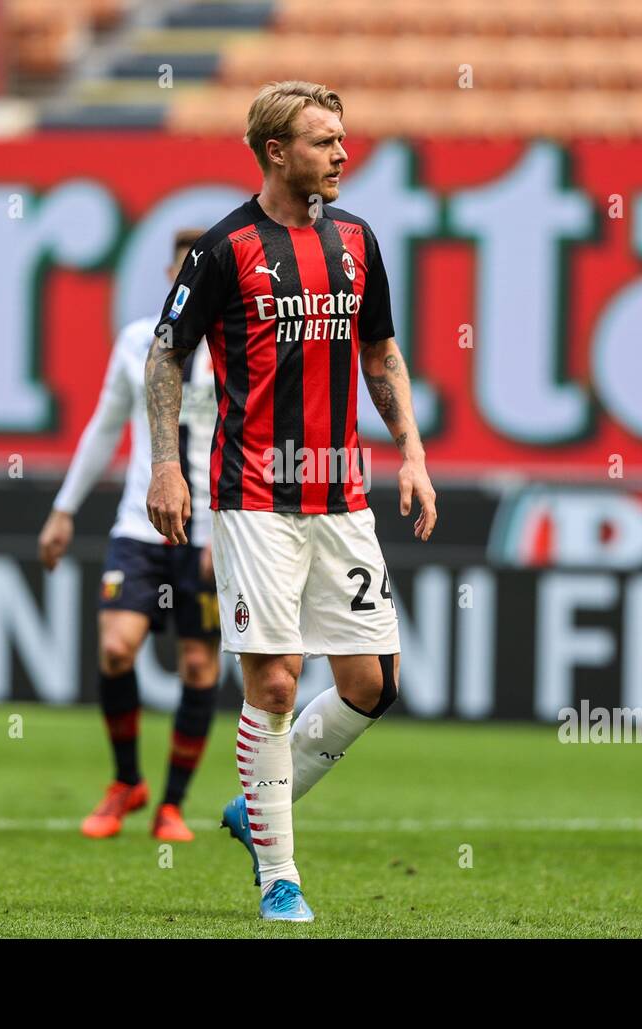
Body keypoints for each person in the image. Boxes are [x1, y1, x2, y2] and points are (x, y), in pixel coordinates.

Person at [143, 81, 437, 920]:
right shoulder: (223, 248)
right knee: (275, 682)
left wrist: (411, 453)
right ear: (276, 153)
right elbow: (168, 356)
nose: (343, 154)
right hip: (254, 495)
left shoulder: (357, 239)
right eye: (323, 142)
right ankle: (281, 876)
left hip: (342, 493)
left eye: (343, 139)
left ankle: (254, 809)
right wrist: (169, 464)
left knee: (374, 682)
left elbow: (379, 348)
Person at [38, 229, 220, 843]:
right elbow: (103, 426)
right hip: (140, 527)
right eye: (182, 270)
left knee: (199, 663)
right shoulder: (139, 341)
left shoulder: (240, 350)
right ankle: (126, 782)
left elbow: (254, 444)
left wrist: (233, 526)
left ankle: (171, 804)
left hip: (211, 533)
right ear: (171, 274)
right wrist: (64, 509)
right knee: (117, 647)